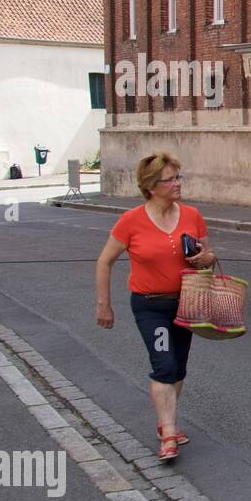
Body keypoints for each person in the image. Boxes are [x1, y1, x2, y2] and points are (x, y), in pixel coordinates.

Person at [94, 152, 217, 461]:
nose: (178, 184)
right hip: (150, 306)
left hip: (186, 303)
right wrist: (103, 305)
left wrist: (206, 259)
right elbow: (105, 261)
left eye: (178, 177)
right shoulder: (130, 221)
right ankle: (170, 433)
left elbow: (208, 254)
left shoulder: (192, 215)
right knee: (163, 365)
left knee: (178, 367)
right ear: (151, 186)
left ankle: (166, 423)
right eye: (171, 179)